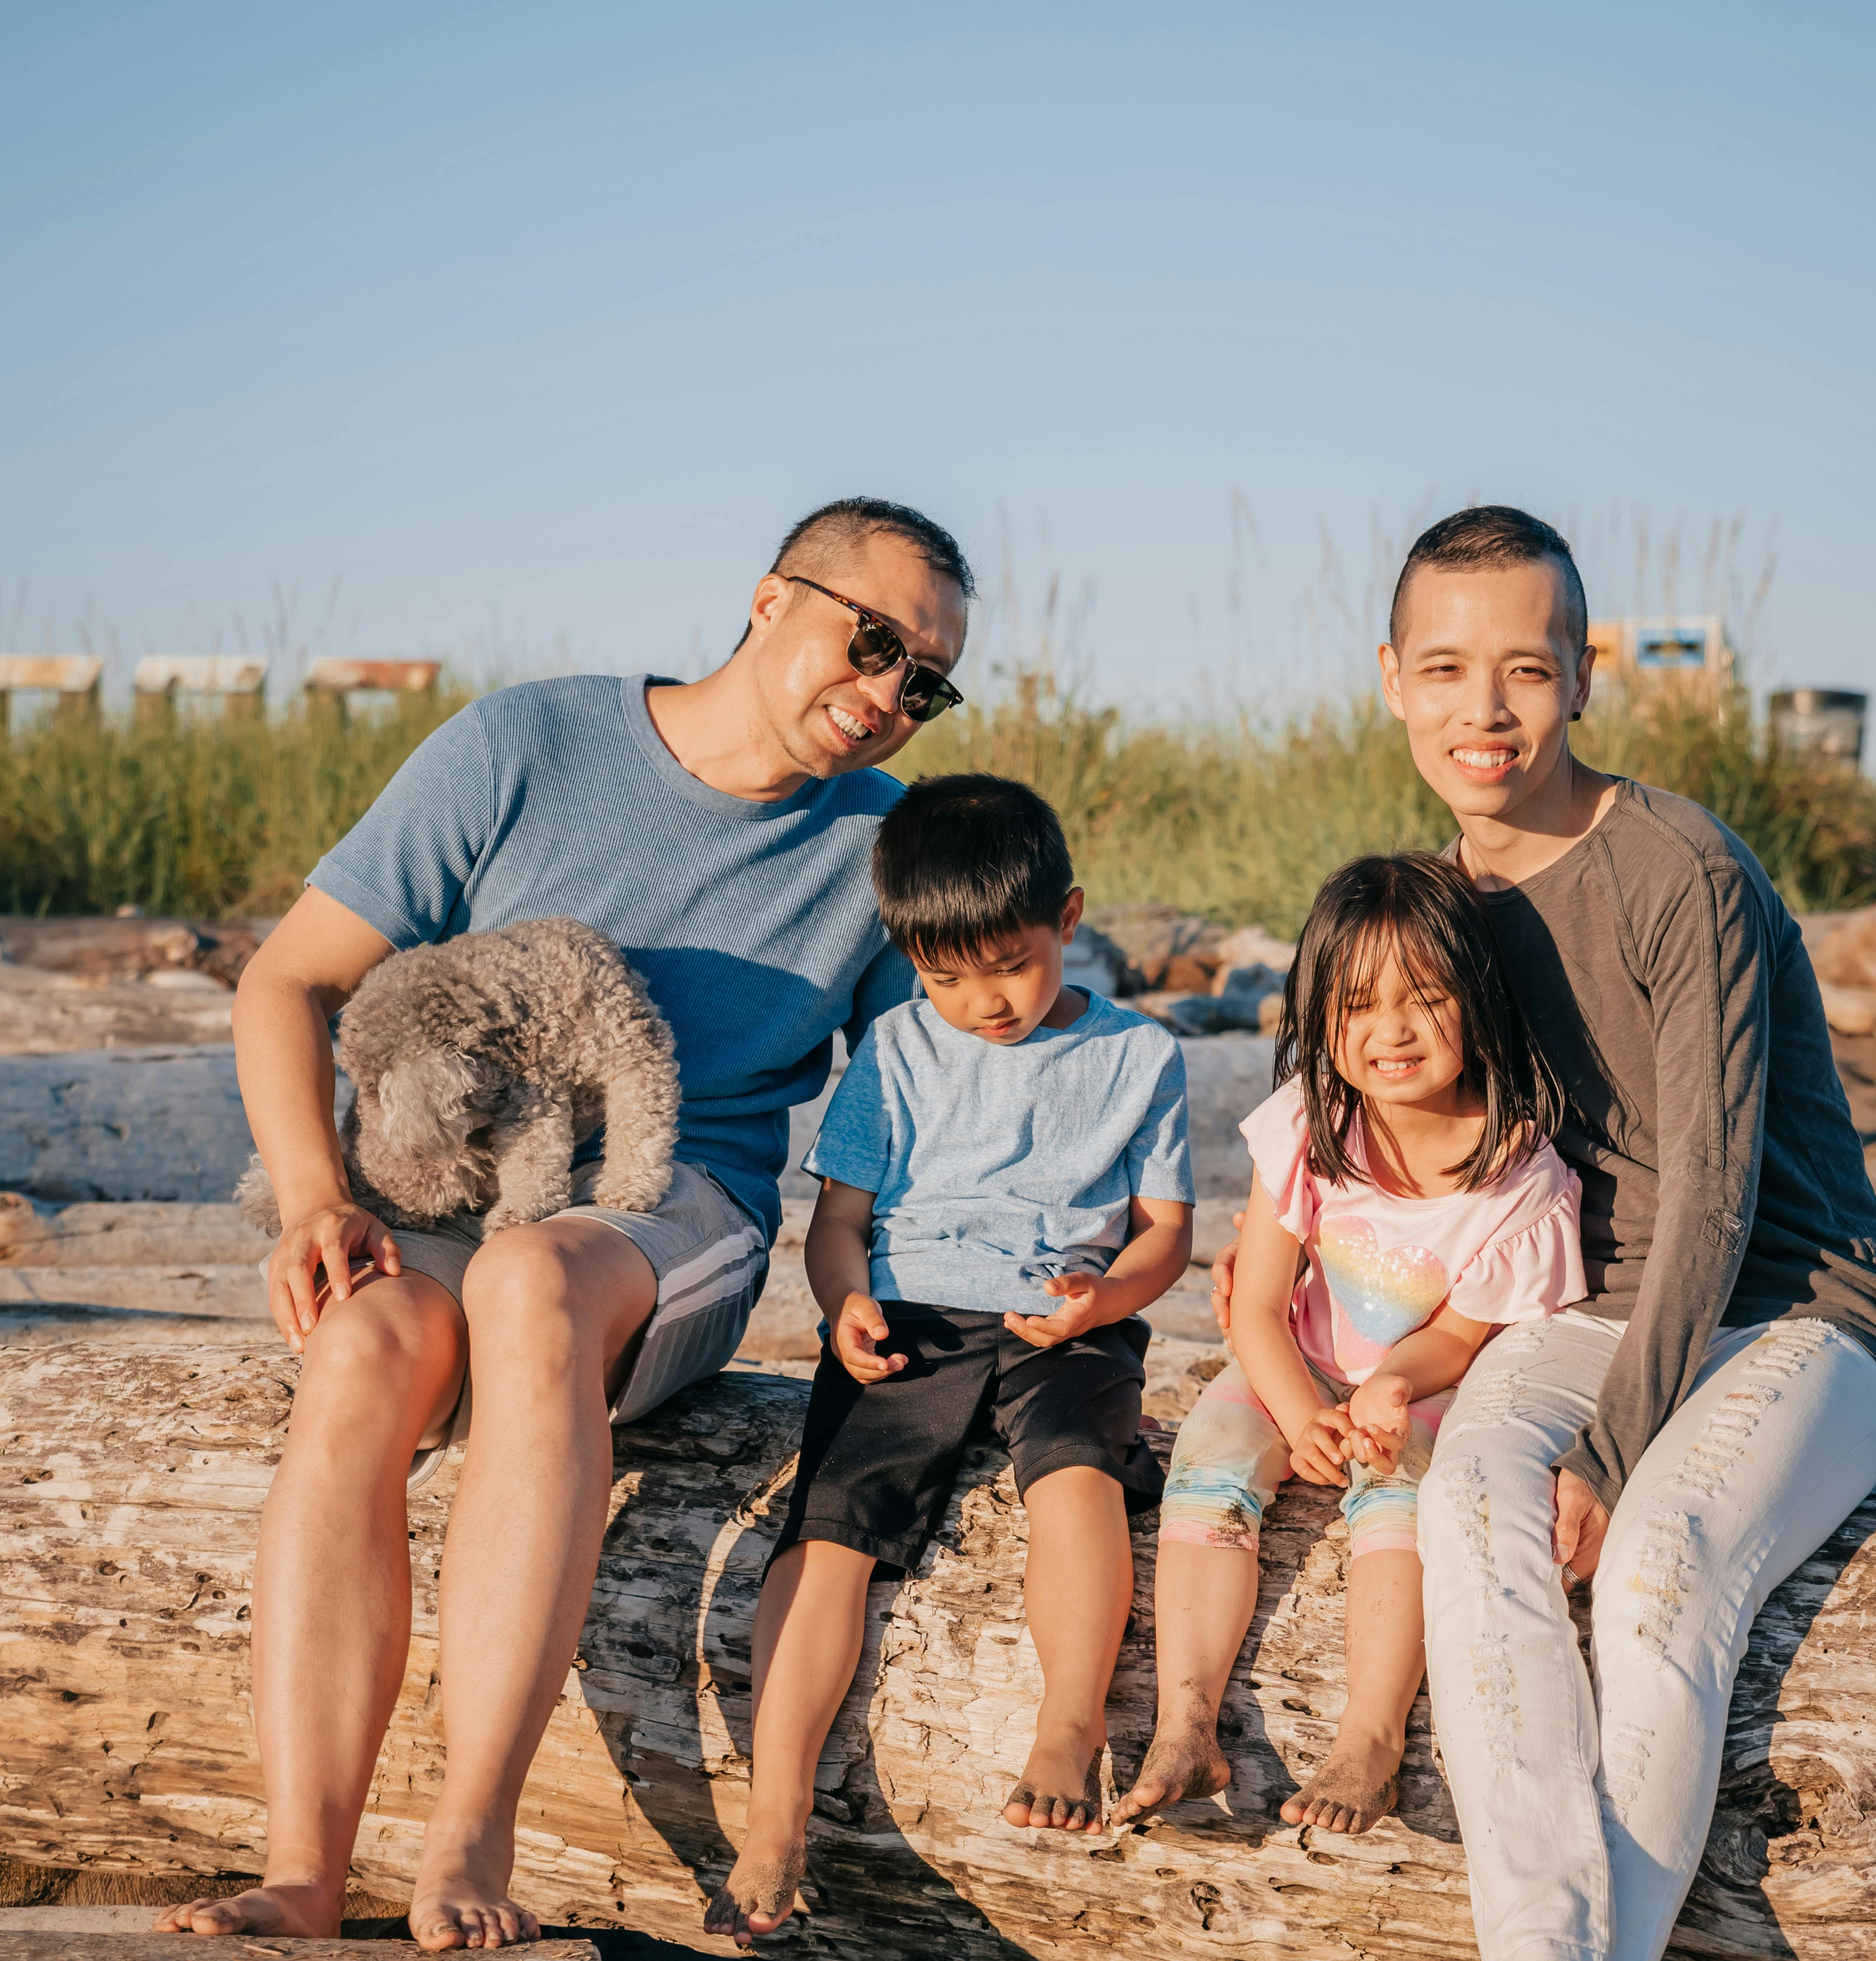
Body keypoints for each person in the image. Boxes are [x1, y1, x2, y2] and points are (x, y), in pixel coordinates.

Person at [157, 498, 975, 1951]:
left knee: (533, 1281)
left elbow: (955, 1087)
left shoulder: (887, 849)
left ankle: (470, 1837)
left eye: (924, 682)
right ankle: (301, 1870)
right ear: (769, 599)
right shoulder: (523, 743)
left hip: (673, 1214)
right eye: (871, 644)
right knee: (359, 1350)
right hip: (451, 1193)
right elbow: (287, 983)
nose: (884, 698)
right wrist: (312, 1199)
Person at [1252, 504, 1876, 1960]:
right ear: (1389, 677)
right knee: (1470, 1509)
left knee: (1655, 1571)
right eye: (1441, 670)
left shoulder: (1678, 872)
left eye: (1523, 668)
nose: (1479, 711)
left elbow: (1712, 1190)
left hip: (1800, 1310)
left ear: (1579, 675)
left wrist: (1617, 1450)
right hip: (1570, 1301)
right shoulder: (1440, 905)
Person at [708, 774, 1194, 1950]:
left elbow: (1166, 1233)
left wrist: (1104, 1302)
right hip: (913, 1310)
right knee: (831, 1531)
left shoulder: (1140, 1056)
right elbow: (836, 1221)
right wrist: (844, 1306)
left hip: (1062, 1315)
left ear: (1066, 920)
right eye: (945, 978)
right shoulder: (892, 1048)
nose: (982, 1003)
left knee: (1077, 1480)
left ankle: (1068, 1726)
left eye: (1009, 968)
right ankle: (774, 1811)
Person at [1114, 852, 1584, 1839]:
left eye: (1424, 999)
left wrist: (1389, 1391)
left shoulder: (1516, 1178)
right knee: (1205, 1465)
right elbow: (1256, 1308)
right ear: (1319, 1013)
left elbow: (1461, 1334)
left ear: (1479, 999)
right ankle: (1185, 1722)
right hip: (1303, 1362)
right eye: (1357, 1005)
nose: (1390, 1033)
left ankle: (1368, 1739)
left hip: (1420, 1386)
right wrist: (1298, 1413)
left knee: (1404, 1494)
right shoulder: (1310, 1121)